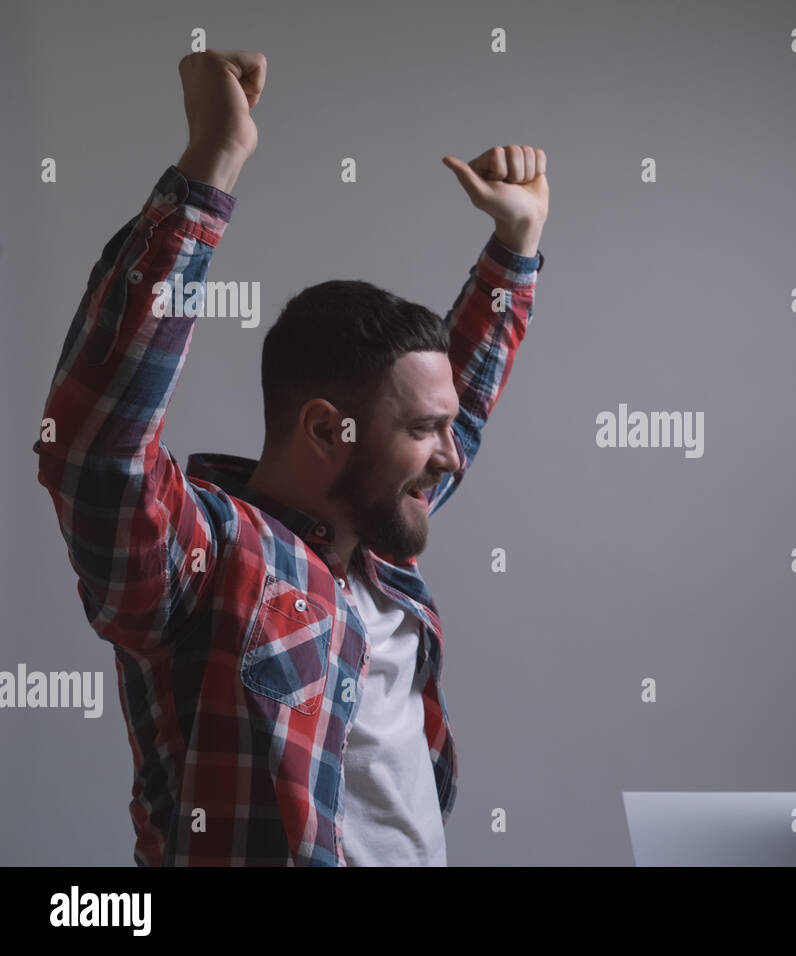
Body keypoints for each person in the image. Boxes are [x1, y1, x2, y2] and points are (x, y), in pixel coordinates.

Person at [32, 49, 548, 866]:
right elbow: (98, 452)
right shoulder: (205, 560)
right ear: (323, 430)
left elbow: (461, 408)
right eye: (421, 431)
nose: (451, 458)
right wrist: (211, 167)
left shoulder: (376, 534)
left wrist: (515, 245)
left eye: (444, 431)